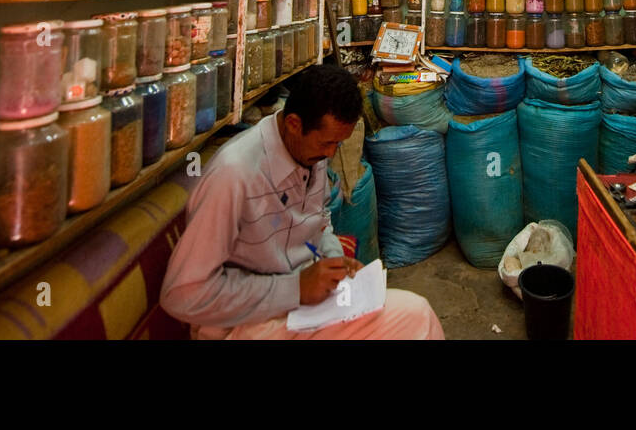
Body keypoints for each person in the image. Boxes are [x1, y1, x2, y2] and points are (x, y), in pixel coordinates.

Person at [161, 63, 444, 339]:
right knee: (414, 317)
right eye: (325, 144)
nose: (331, 154)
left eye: (337, 144)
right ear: (294, 124)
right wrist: (294, 289)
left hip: (304, 310)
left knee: (414, 316)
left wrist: (336, 265)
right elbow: (182, 295)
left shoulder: (309, 153)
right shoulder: (234, 175)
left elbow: (318, 223)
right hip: (246, 325)